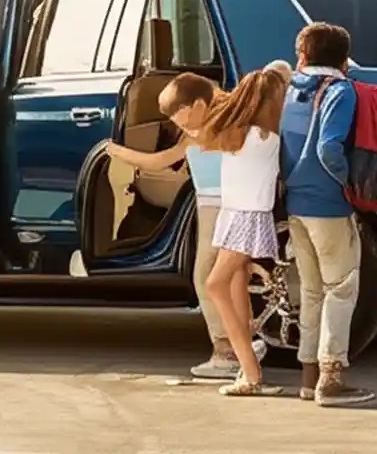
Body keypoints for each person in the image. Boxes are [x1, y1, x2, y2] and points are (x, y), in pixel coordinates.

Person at [104, 73, 265, 380]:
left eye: (181, 115)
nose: (179, 124)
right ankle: (240, 344)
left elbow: (160, 161)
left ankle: (227, 351)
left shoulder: (205, 133)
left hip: (217, 209)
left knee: (206, 277)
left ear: (200, 104)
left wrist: (116, 151)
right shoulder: (227, 125)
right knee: (229, 279)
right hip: (224, 205)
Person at [280, 22, 376, 407]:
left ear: (302, 55)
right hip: (328, 204)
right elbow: (329, 147)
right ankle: (332, 379)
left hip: (296, 205)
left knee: (312, 291)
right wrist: (348, 184)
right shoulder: (340, 91)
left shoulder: (289, 90)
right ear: (344, 58)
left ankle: (308, 377)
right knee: (342, 288)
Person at [196, 67, 291, 396]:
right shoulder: (264, 135)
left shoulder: (254, 137)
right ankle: (249, 363)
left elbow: (206, 136)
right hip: (239, 214)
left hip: (244, 217)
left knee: (215, 284)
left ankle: (248, 370)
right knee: (234, 287)